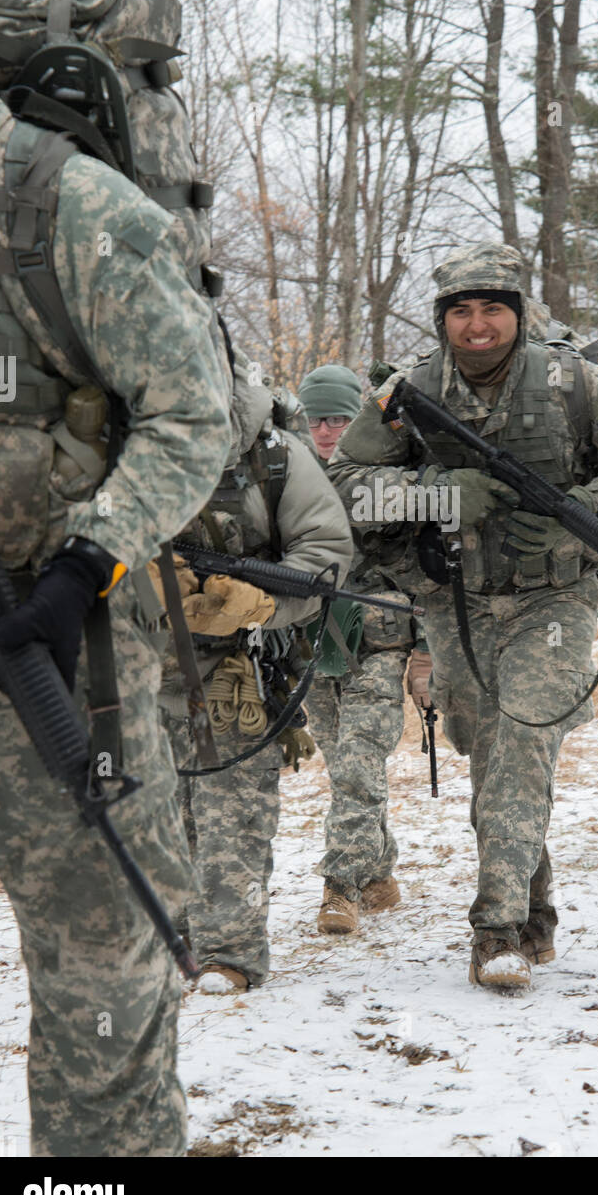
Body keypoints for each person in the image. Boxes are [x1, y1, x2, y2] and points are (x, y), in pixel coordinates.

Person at [0, 0, 232, 1156]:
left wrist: (90, 557)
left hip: (54, 650)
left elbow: (191, 415)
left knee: (102, 977)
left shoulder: (74, 210)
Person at [327, 242, 598, 990]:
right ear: (443, 319)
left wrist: (588, 508)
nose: (478, 323)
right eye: (462, 310)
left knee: (523, 738)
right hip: (451, 601)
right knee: (491, 761)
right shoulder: (406, 394)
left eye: (493, 308)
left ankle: (494, 933)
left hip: (552, 599)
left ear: (517, 313)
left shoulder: (577, 383)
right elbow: (345, 488)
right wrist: (435, 493)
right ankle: (535, 911)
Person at [157, 347, 354, 992]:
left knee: (233, 811)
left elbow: (325, 551)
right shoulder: (112, 446)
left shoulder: (273, 457)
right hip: (132, 665)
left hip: (240, 662)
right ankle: (165, 942)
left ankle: (228, 954)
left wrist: (262, 604)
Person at [299, 364, 433, 936]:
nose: (328, 429)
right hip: (312, 643)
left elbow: (430, 566)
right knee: (343, 767)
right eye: (317, 419)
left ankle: (341, 888)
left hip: (379, 643)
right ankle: (379, 873)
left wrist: (426, 651)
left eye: (339, 417)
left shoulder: (385, 475)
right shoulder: (288, 478)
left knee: (358, 764)